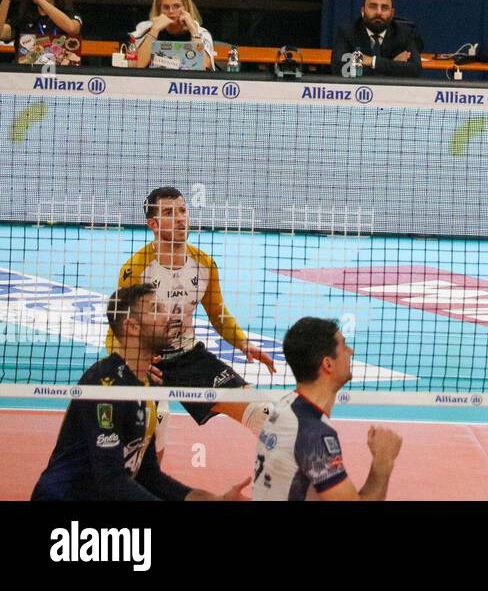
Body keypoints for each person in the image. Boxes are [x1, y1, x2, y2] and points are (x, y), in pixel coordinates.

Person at [32, 283, 249, 501]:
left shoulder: (148, 386)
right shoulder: (104, 385)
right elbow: (111, 481)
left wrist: (213, 500)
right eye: (156, 310)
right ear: (132, 327)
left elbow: (148, 476)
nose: (169, 317)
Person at [109, 187, 277, 438]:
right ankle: (145, 478)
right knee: (155, 421)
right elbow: (117, 327)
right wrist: (128, 362)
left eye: (183, 211)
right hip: (148, 360)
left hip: (189, 357)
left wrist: (243, 342)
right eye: (169, 212)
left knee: (265, 413)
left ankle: (272, 476)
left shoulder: (204, 265)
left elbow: (217, 312)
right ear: (154, 224)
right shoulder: (136, 269)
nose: (180, 218)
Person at [253, 317, 403, 501]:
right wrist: (383, 460)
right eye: (344, 346)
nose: (351, 351)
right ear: (328, 364)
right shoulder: (314, 434)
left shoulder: (285, 406)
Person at [330, 0, 424, 77]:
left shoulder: (404, 33)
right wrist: (392, 65)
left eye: (384, 8)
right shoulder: (348, 32)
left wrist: (372, 61)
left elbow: (415, 70)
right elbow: (340, 69)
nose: (378, 12)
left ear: (392, 14)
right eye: (372, 7)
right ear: (363, 11)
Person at [1, 0, 82, 66]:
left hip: (62, 79)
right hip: (26, 77)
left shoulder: (69, 15)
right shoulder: (23, 19)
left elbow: (72, 29)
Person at [129, 0, 216, 70]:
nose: (171, 11)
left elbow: (203, 67)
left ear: (186, 8)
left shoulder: (201, 33)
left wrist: (193, 31)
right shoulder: (146, 29)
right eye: (166, 7)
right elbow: (138, 66)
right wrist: (154, 30)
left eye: (177, 6)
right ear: (159, 10)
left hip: (186, 83)